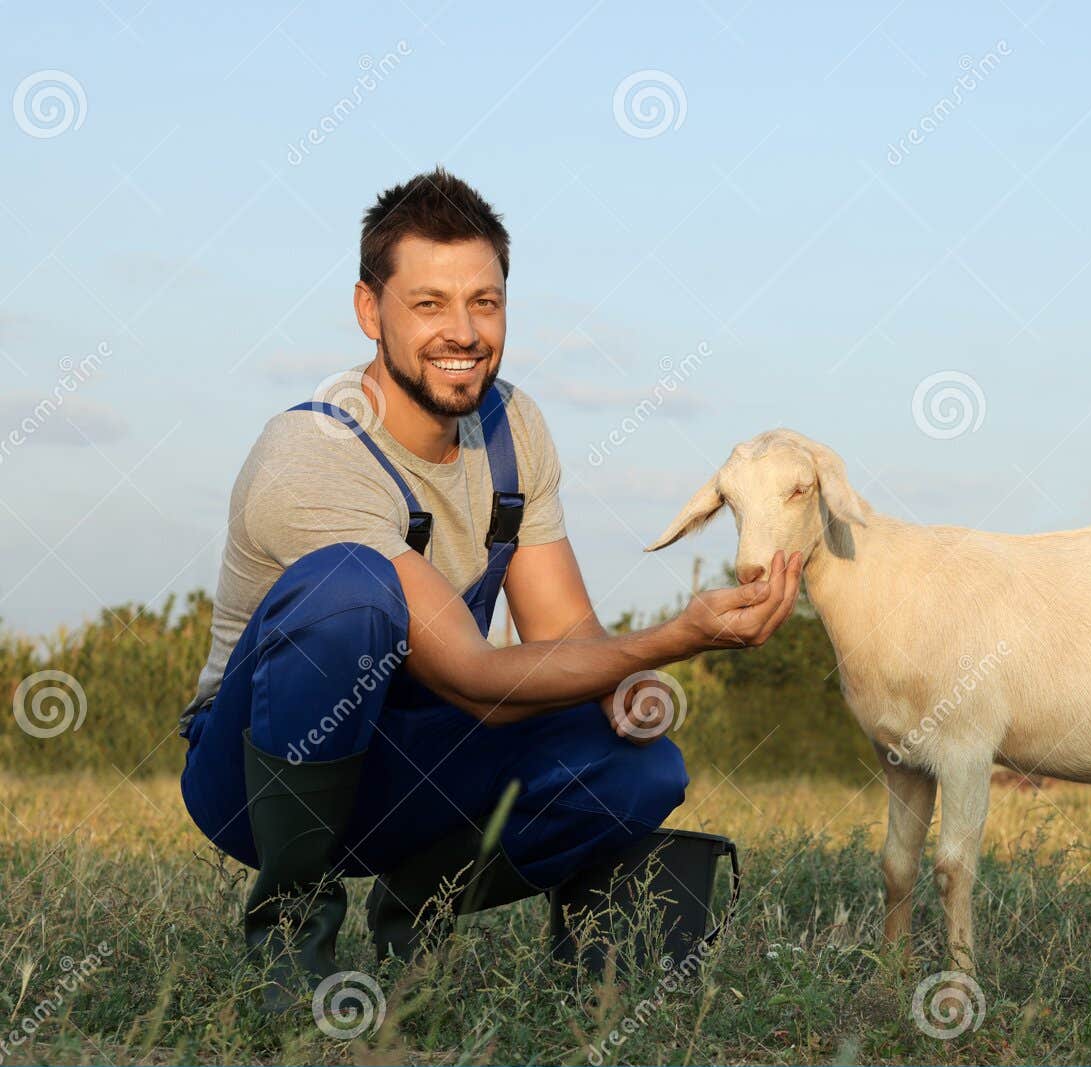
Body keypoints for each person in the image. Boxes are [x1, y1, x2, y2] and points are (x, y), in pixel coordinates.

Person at [177, 168, 801, 1007]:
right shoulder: (313, 454)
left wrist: (627, 681)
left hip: (410, 759)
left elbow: (568, 631)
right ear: (370, 311)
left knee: (640, 769)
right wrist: (677, 638)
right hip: (257, 779)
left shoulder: (515, 427)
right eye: (429, 303)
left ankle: (418, 899)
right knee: (351, 589)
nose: (463, 331)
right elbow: (477, 679)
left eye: (486, 301)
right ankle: (290, 938)